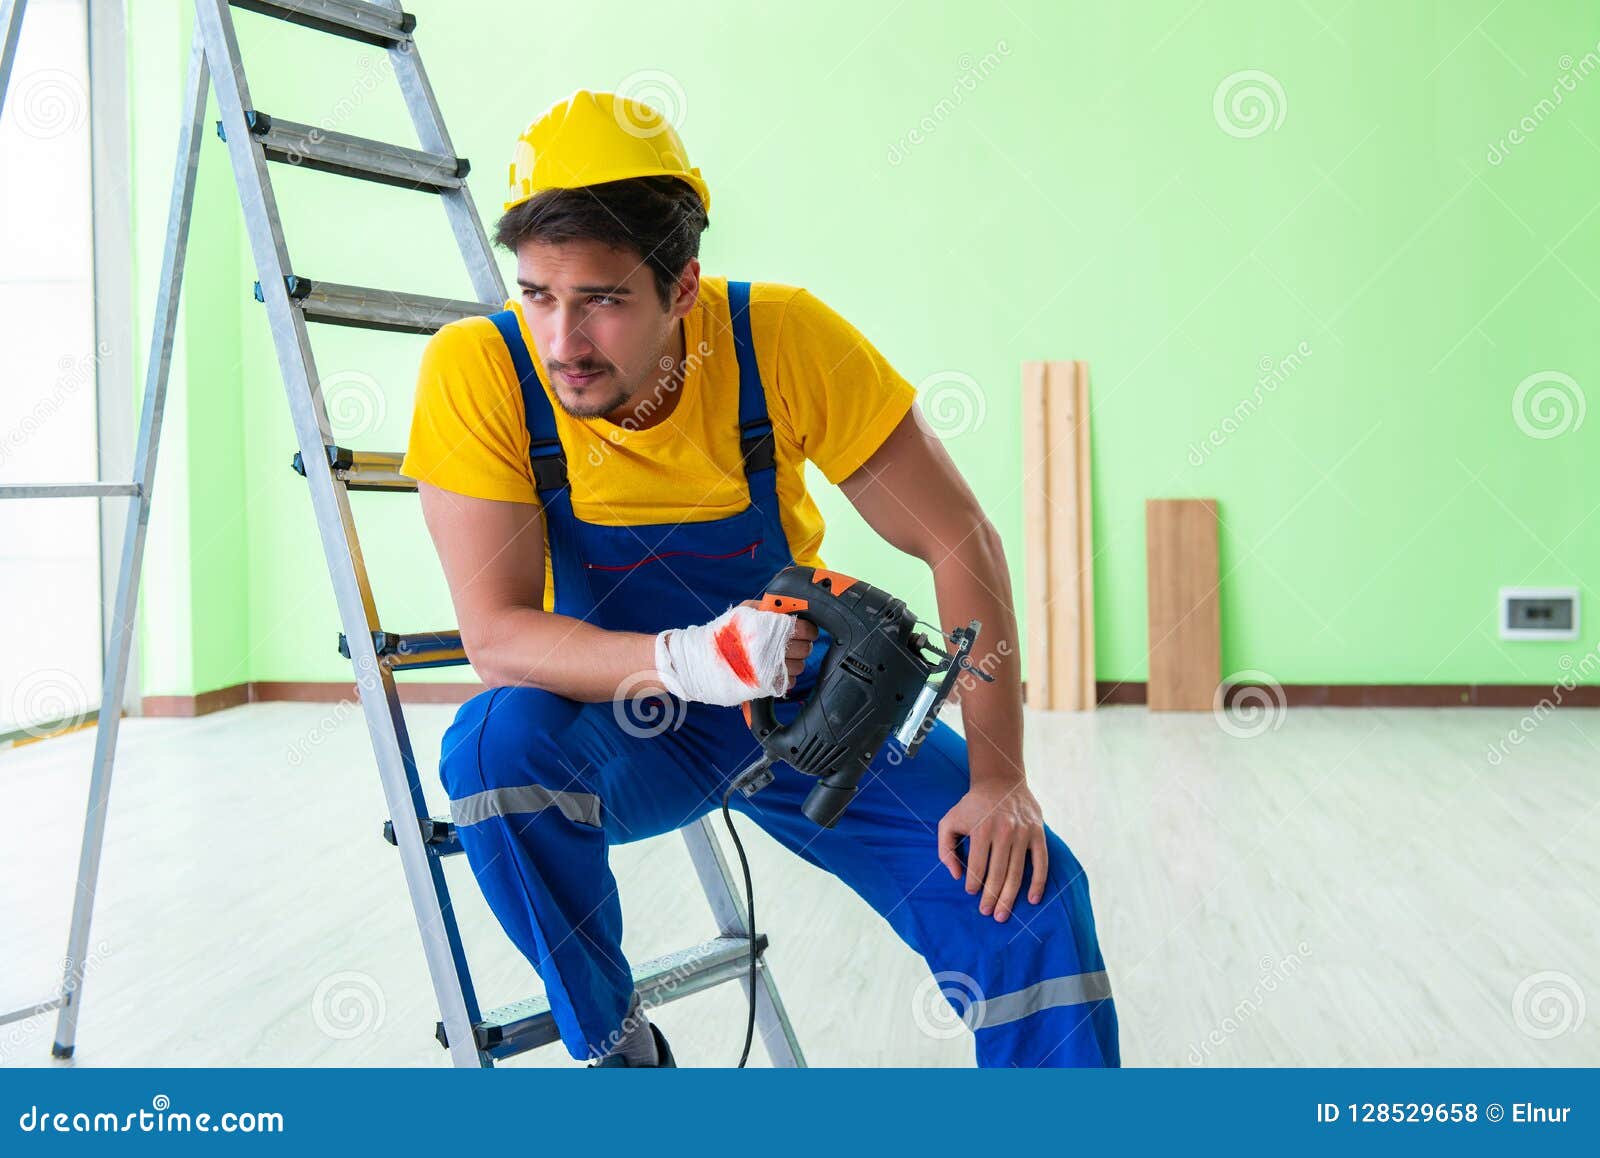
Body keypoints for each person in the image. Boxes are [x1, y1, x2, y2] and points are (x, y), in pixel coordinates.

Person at [398, 89, 1119, 1068]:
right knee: (492, 748)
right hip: (623, 721)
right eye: (537, 295)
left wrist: (999, 779)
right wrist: (693, 660)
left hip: (810, 720)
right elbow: (495, 637)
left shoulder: (776, 339)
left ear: (681, 287)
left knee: (1026, 898)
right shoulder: (479, 372)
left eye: (602, 301)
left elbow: (960, 540)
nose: (561, 342)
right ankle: (616, 1051)